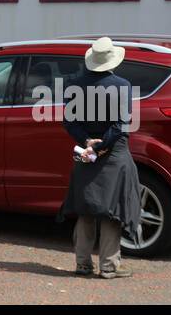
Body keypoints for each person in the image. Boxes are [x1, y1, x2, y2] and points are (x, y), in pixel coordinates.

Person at [59, 36, 142, 279]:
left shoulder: (74, 84)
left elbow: (69, 122)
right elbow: (119, 125)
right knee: (111, 208)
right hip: (114, 152)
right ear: (112, 60)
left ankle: (83, 264)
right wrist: (101, 145)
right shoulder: (122, 85)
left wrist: (87, 142)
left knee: (86, 207)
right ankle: (109, 266)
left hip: (86, 152)